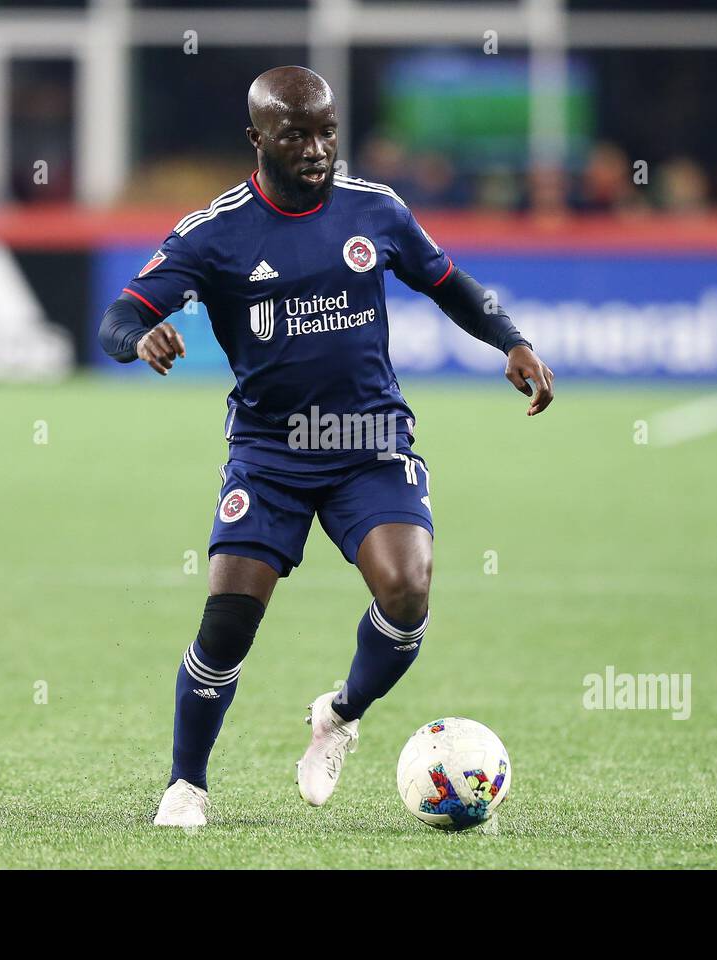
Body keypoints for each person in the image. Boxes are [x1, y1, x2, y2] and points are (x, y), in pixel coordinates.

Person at [100, 66, 553, 827]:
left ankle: (340, 714)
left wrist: (511, 340)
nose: (316, 149)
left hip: (369, 441)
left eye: (327, 132)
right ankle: (186, 785)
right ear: (256, 138)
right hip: (269, 453)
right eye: (296, 135)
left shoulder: (375, 209)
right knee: (228, 621)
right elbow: (119, 316)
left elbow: (446, 281)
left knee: (407, 589)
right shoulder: (214, 232)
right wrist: (139, 337)